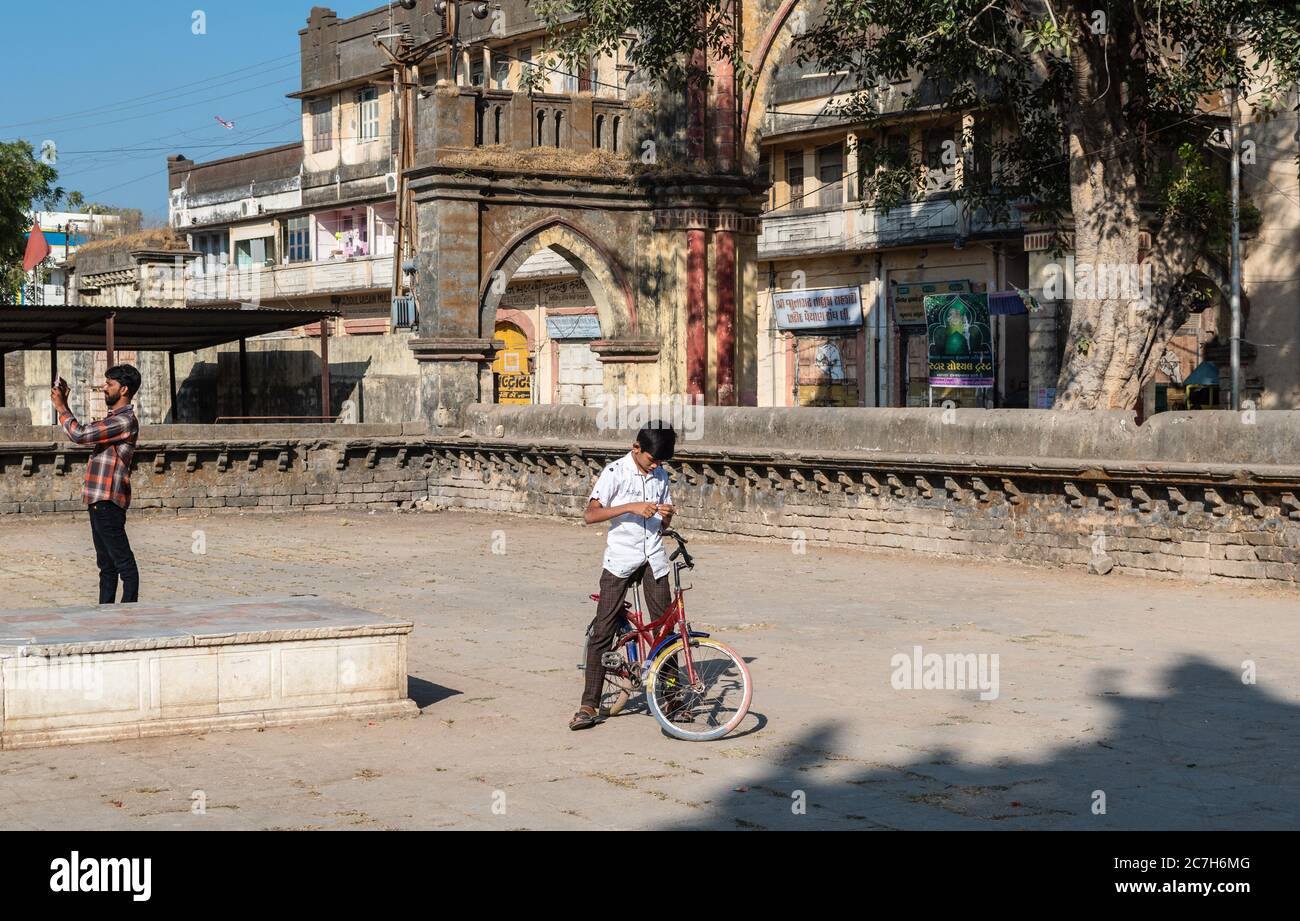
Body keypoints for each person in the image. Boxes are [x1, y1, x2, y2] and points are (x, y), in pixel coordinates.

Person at [571, 423, 684, 731]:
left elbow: (661, 524)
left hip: (653, 559)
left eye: (661, 462)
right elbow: (590, 514)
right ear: (637, 449)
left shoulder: (660, 475)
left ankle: (673, 695)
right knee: (604, 630)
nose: (656, 466)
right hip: (621, 559)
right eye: (652, 460)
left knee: (665, 631)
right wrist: (631, 507)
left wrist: (666, 514)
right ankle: (588, 704)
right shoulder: (615, 472)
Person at [50, 365, 142, 605]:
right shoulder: (114, 420)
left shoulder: (124, 421)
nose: (104, 387)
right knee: (107, 565)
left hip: (108, 500)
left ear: (124, 389)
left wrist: (61, 408)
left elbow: (80, 435)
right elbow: (84, 433)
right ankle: (105, 614)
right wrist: (66, 406)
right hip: (98, 500)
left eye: (109, 384)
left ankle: (129, 612)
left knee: (123, 563)